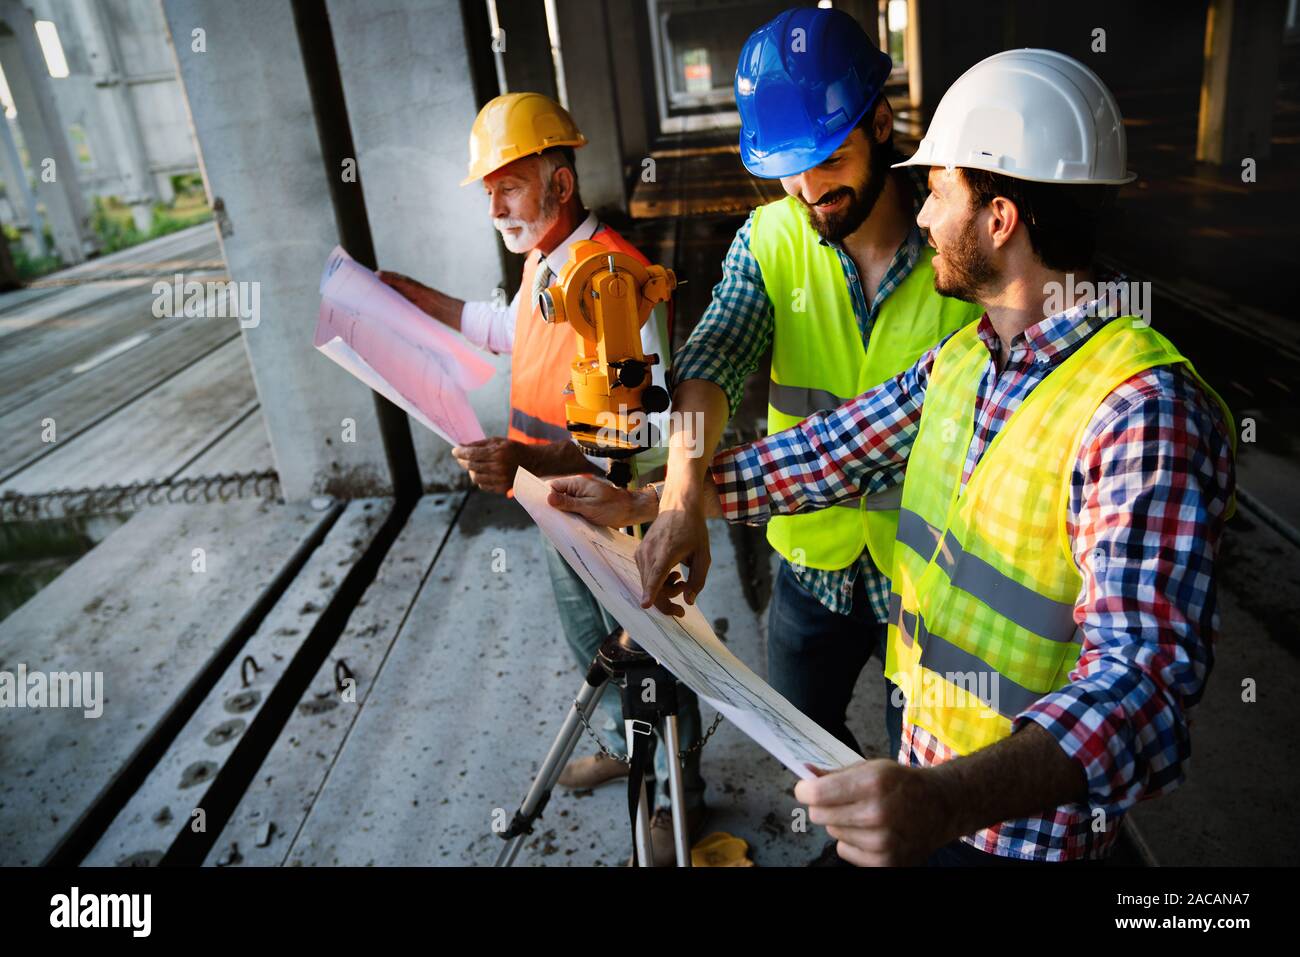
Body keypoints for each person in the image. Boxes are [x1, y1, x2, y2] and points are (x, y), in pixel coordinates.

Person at [547, 50, 1237, 865]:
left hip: (1019, 835)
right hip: (929, 774)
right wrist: (653, 503)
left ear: (1000, 218)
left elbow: (1145, 691)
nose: (920, 215)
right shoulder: (972, 357)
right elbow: (824, 454)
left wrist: (945, 799)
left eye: (938, 190)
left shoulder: (1140, 412)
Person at [641, 8, 981, 797]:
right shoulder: (770, 239)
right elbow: (713, 358)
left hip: (930, 574)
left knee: (924, 765)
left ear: (885, 124)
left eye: (826, 157)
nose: (807, 189)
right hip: (809, 562)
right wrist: (682, 495)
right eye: (786, 167)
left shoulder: (958, 248)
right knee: (806, 742)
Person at [379, 92, 706, 863]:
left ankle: (676, 787)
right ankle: (628, 750)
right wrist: (410, 297)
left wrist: (528, 459)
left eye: (510, 184)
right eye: (488, 188)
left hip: (618, 511)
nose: (494, 204)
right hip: (553, 506)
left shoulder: (615, 276)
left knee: (654, 652)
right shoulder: (542, 266)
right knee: (590, 642)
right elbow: (506, 328)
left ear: (560, 184)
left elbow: (651, 433)